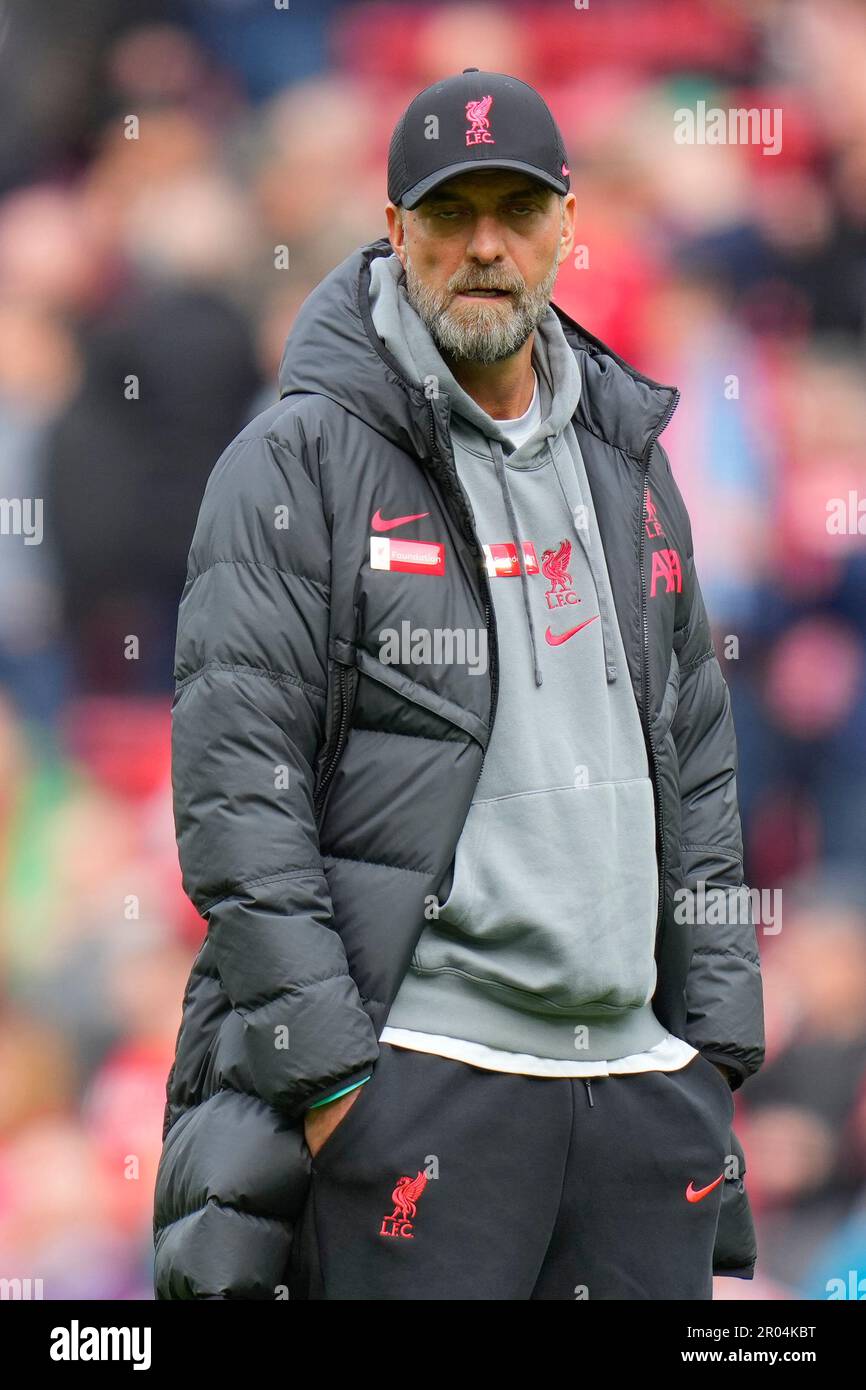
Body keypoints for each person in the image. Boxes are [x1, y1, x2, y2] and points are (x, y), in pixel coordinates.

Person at [153, 68, 765, 1300]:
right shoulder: (295, 461)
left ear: (567, 224)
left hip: (636, 1100)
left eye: (516, 207)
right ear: (393, 231)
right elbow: (235, 805)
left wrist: (710, 1056)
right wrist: (333, 1086)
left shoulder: (632, 462)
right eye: (448, 212)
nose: (484, 245)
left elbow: (696, 762)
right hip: (421, 1087)